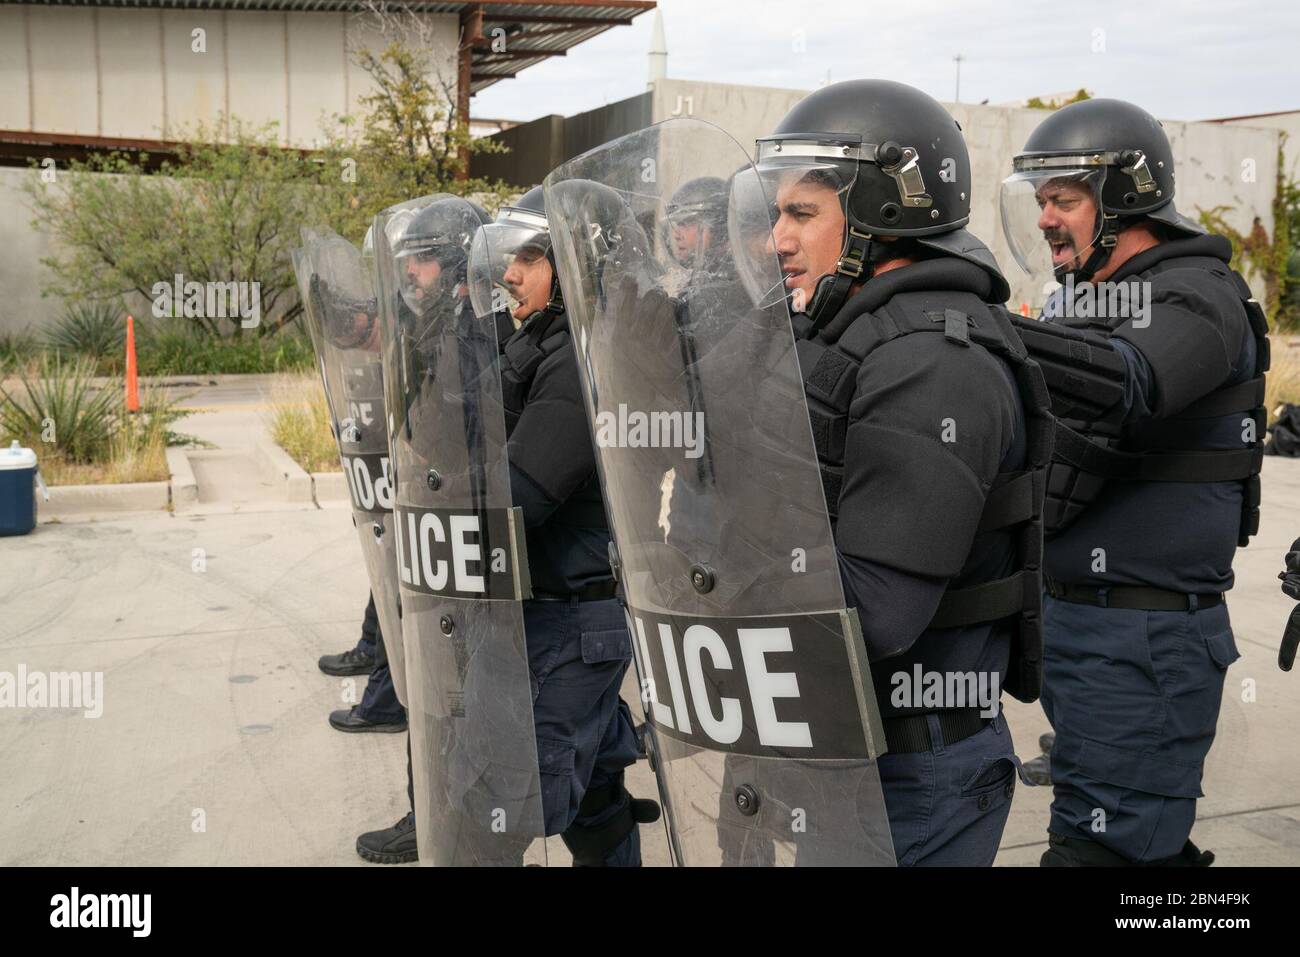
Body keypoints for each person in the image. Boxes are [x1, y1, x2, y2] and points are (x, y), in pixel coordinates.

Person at [743, 79, 1052, 865]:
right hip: (850, 750)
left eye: (802, 213)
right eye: (776, 212)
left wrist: (720, 563)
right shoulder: (854, 335)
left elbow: (874, 612)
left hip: (910, 768)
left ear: (887, 210)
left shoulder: (933, 363)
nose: (777, 237)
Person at [999, 97, 1269, 867]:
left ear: (1124, 199)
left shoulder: (1198, 293)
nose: (1048, 219)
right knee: (1135, 844)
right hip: (1076, 630)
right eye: (1041, 201)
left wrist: (986, 326)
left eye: (1066, 200)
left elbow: (1131, 380)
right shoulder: (1078, 300)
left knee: (1101, 854)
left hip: (1144, 639)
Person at [468, 187, 656, 865]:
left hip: (567, 626)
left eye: (529, 255)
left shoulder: (580, 362)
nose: (509, 272)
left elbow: (516, 495)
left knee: (493, 811)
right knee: (598, 806)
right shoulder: (545, 345)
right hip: (561, 617)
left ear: (580, 263)